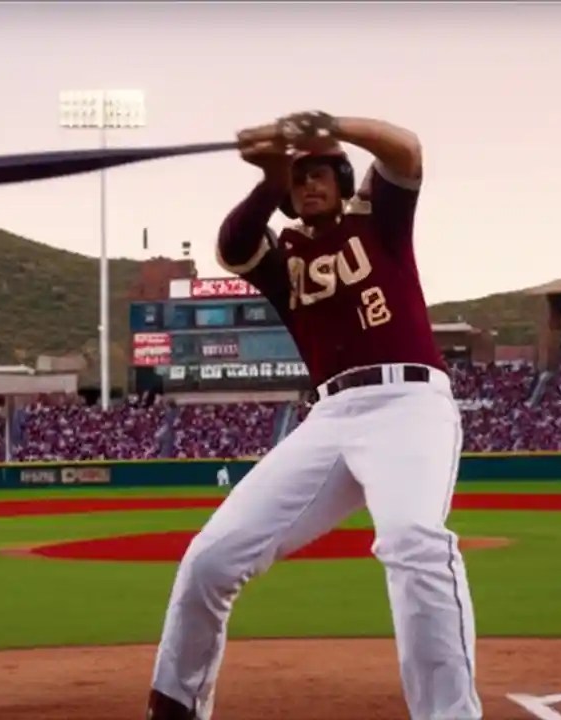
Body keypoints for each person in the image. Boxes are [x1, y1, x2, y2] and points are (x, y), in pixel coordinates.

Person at [146, 111, 480, 720]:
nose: (310, 183)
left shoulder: (377, 217)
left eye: (320, 171)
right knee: (210, 559)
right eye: (300, 178)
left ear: (343, 175)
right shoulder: (285, 253)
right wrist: (271, 175)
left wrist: (332, 122)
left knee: (413, 540)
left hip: (408, 404)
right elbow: (232, 244)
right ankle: (176, 706)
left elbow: (407, 150)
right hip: (329, 416)